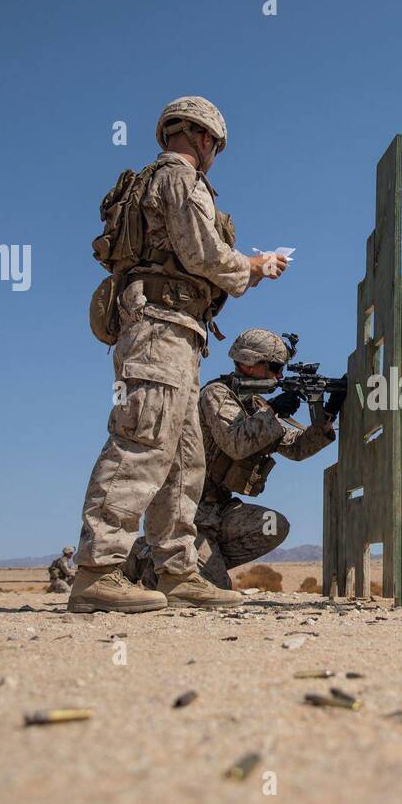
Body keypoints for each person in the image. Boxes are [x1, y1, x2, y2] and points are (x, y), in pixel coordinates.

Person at [71, 97, 288, 614]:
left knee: (183, 457)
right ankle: (98, 571)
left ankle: (177, 569)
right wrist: (254, 266)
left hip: (181, 331)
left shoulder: (158, 181)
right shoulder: (177, 179)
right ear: (203, 138)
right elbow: (203, 255)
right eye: (214, 144)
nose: (214, 153)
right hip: (159, 328)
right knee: (143, 439)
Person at [124, 329, 343, 592]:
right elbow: (236, 444)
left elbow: (295, 448)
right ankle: (150, 554)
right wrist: (272, 411)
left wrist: (327, 415)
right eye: (274, 367)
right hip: (188, 511)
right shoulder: (216, 394)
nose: (279, 375)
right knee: (215, 591)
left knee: (274, 526)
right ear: (249, 364)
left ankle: (196, 559)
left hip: (221, 511)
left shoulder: (255, 403)